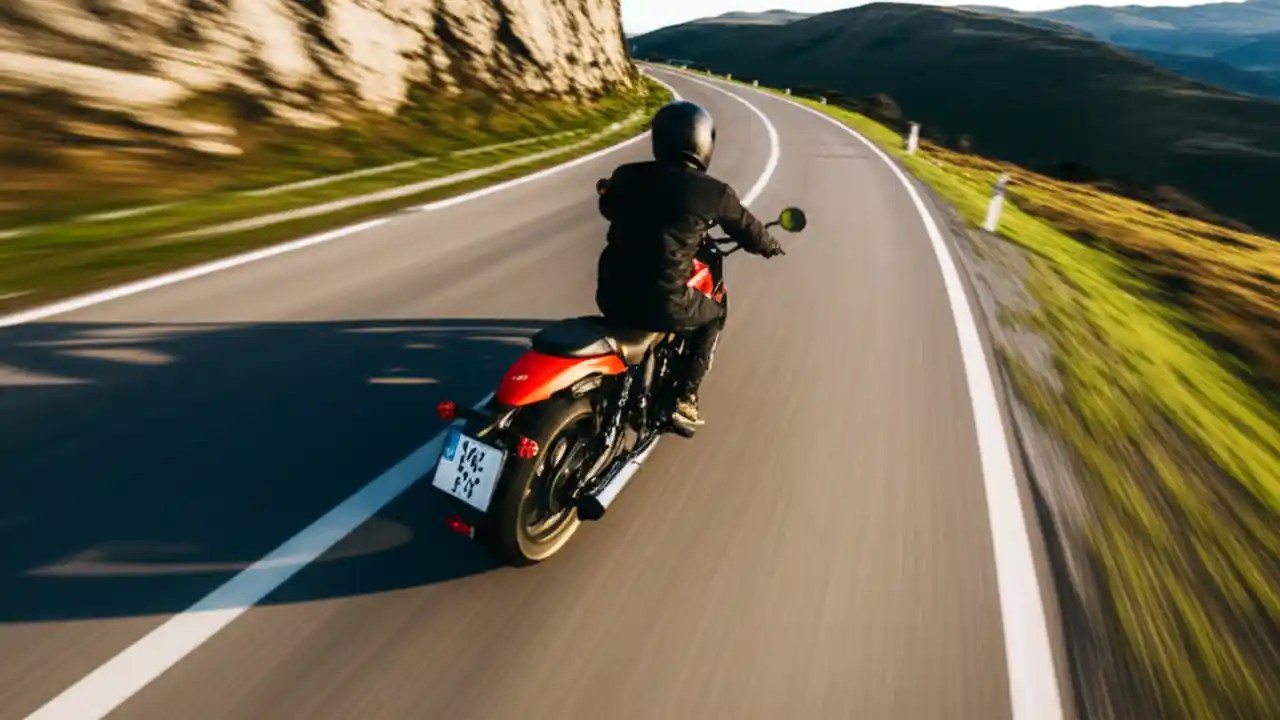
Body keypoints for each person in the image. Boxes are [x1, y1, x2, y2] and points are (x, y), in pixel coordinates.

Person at [594, 100, 783, 430]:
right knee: (717, 311)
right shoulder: (714, 193)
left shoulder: (627, 175)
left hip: (610, 294)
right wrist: (770, 246)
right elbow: (750, 232)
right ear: (703, 143)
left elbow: (608, 208)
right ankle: (684, 396)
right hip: (665, 303)